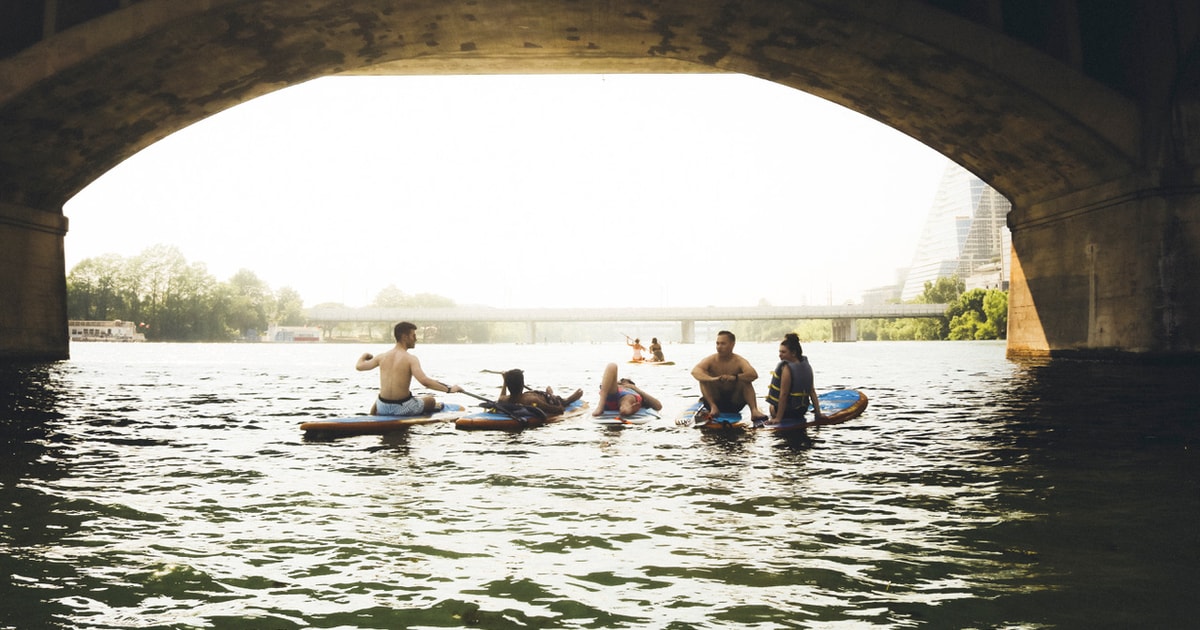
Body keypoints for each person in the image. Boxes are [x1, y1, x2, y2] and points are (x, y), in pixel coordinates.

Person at [356, 321, 461, 415]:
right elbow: (425, 382)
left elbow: (359, 366)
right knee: (431, 400)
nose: (416, 339)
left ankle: (374, 416)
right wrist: (449, 389)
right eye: (413, 335)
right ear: (405, 337)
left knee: (379, 399)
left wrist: (365, 355)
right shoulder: (410, 359)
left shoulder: (382, 357)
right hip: (402, 409)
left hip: (382, 408)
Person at [690, 330, 768, 422]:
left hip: (734, 402)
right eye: (717, 343)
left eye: (723, 344)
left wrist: (735, 377)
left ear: (732, 344)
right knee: (703, 378)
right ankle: (713, 407)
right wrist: (712, 379)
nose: (719, 347)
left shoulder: (739, 361)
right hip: (715, 401)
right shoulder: (711, 360)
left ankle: (754, 411)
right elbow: (695, 371)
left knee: (746, 379)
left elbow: (753, 375)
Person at [764, 333, 826, 427]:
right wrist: (818, 413)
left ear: (793, 353)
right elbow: (812, 391)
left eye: (783, 352)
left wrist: (778, 419)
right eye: (779, 352)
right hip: (802, 410)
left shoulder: (787, 368)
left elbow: (784, 395)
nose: (780, 355)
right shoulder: (806, 364)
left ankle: (775, 415)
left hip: (788, 412)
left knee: (771, 406)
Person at [497, 368, 583, 417]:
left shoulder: (505, 399)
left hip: (534, 394)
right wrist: (550, 395)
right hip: (549, 400)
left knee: (542, 393)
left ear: (508, 386)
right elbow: (559, 410)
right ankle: (568, 399)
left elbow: (501, 398)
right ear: (522, 384)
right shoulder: (532, 400)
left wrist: (505, 381)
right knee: (562, 401)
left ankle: (551, 393)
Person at [592, 362, 663, 416]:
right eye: (621, 381)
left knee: (627, 399)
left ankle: (626, 409)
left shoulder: (633, 391)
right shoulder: (614, 386)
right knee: (612, 365)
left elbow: (658, 406)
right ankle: (624, 409)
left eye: (625, 381)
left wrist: (635, 388)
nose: (623, 382)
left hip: (627, 396)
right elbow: (604, 384)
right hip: (610, 395)